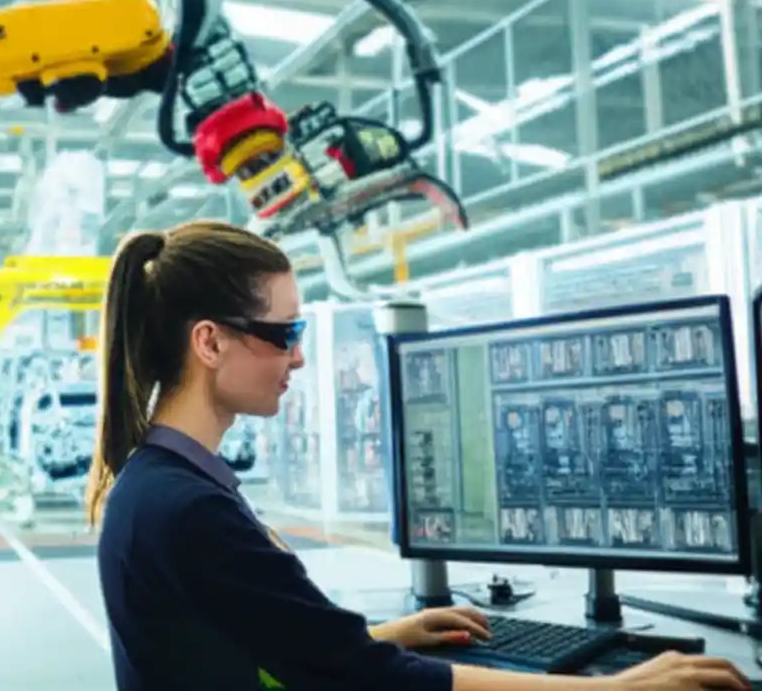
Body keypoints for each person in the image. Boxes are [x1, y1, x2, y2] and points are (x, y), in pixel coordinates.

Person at [87, 220, 748, 691]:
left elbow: (251, 650)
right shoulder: (189, 510)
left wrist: (391, 634)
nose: (299, 357)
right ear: (209, 343)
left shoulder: (157, 483)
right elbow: (363, 679)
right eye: (285, 333)